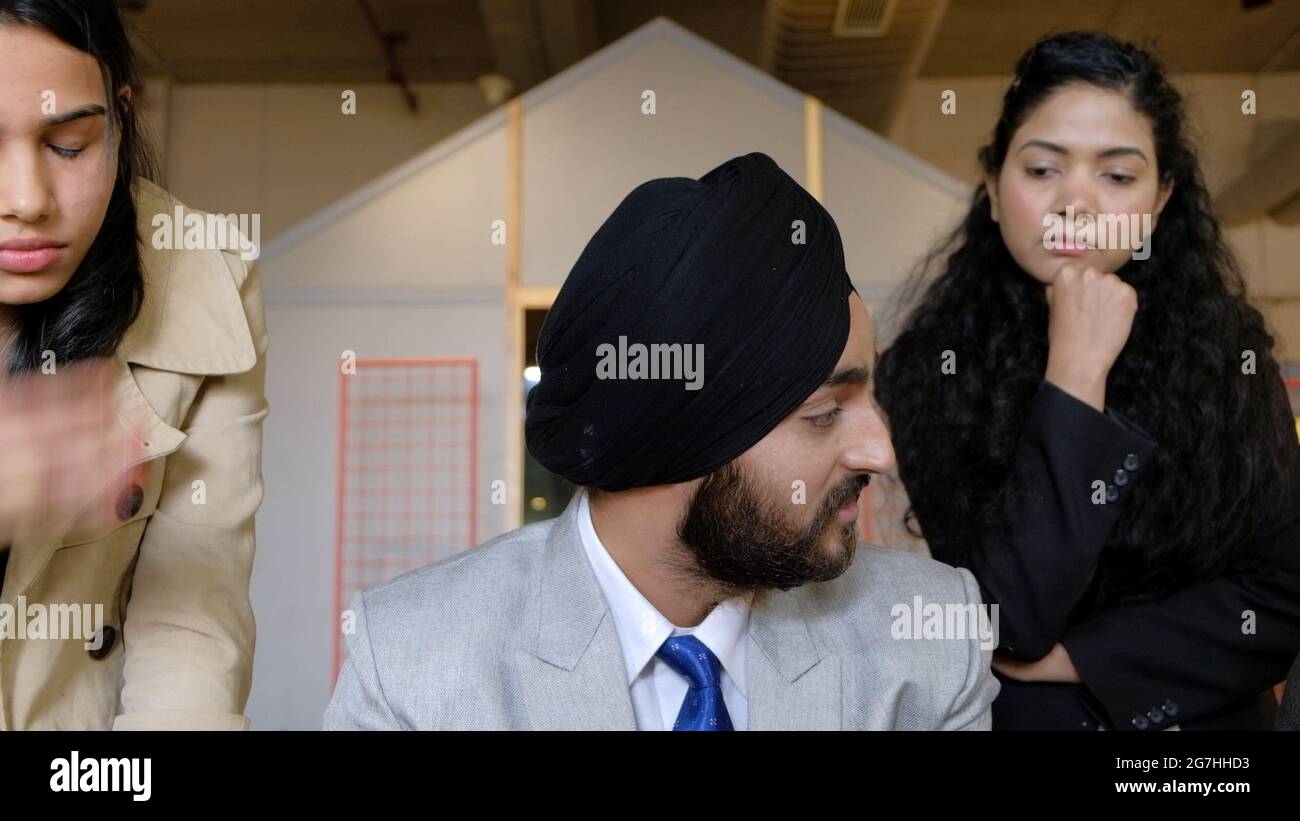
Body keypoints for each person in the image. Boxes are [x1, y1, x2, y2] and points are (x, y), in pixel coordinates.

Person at [324, 153, 999, 730]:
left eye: (869, 395)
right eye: (825, 411)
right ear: (675, 440)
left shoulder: (931, 639)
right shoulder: (414, 665)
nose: (881, 451)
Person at [874, 31, 1300, 730]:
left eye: (1117, 176)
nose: (1075, 204)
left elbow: (1281, 600)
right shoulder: (933, 365)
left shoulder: (1227, 355)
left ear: (1160, 200)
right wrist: (1075, 374)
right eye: (1042, 170)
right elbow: (1008, 617)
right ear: (991, 187)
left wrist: (1085, 656)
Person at [0, 0, 268, 729]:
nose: (27, 200)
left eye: (70, 144)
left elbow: (190, 622)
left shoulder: (204, 279)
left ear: (119, 120)